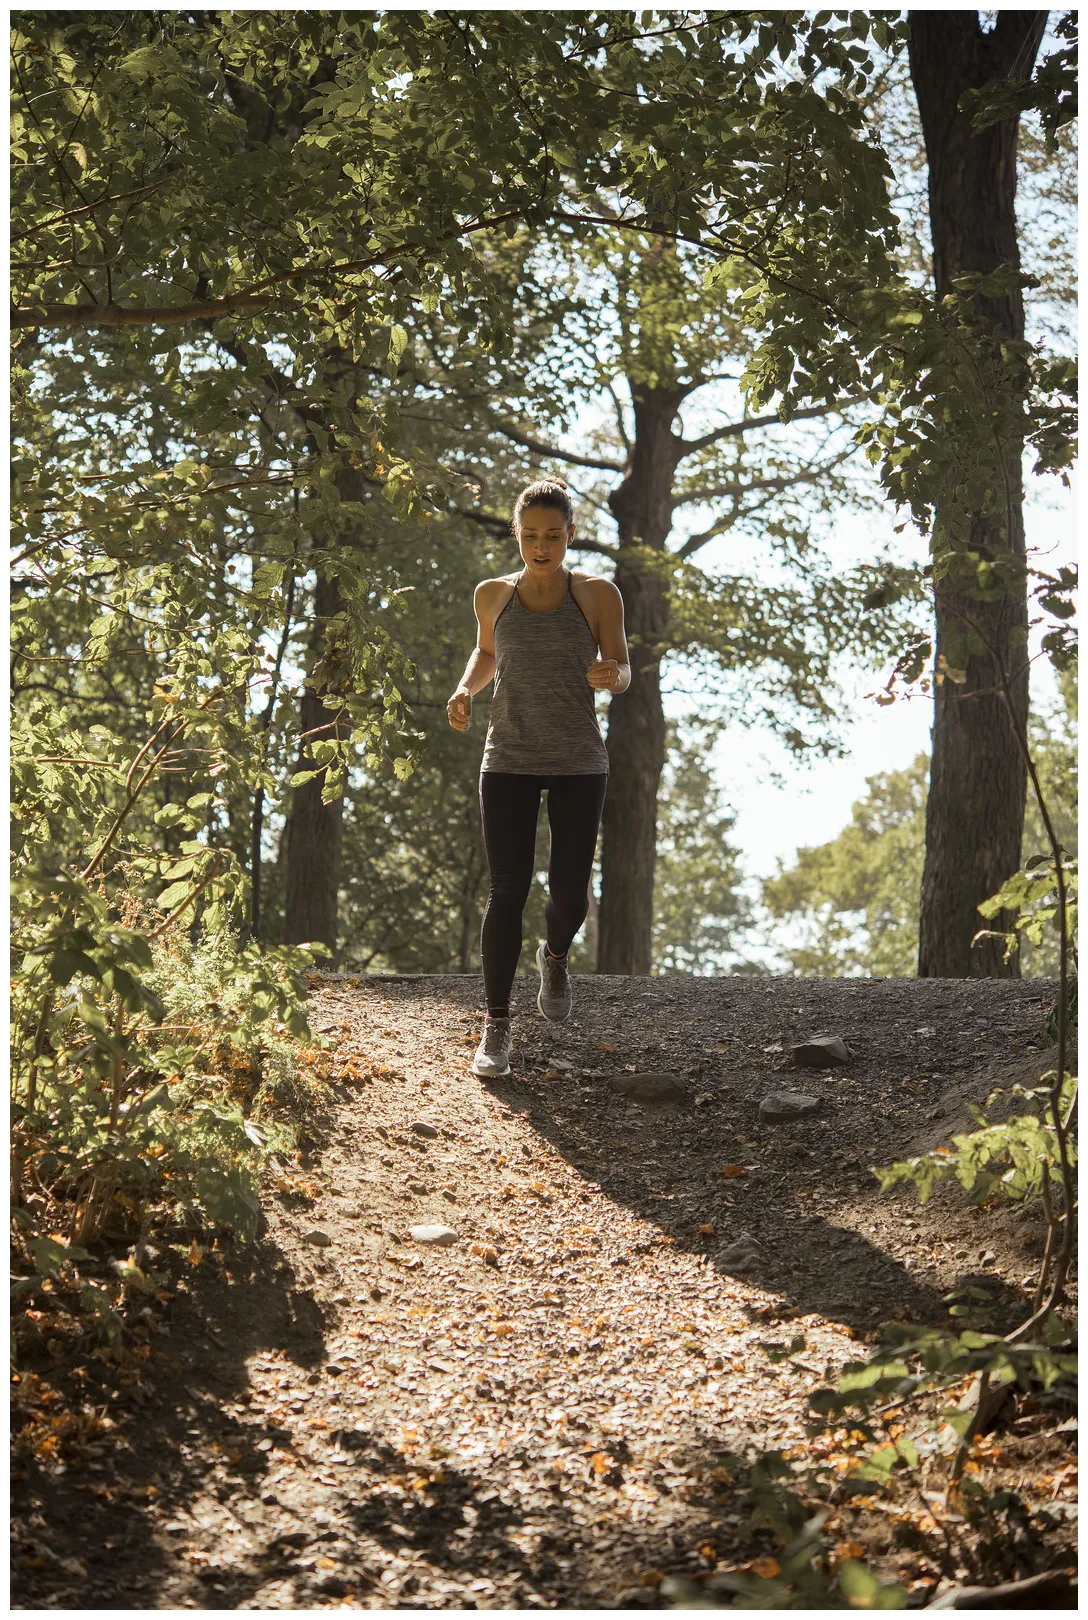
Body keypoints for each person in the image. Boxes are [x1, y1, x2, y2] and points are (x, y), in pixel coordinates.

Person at [447, 478, 631, 1078]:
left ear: (571, 535)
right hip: (508, 758)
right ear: (517, 536)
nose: (541, 546)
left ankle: (555, 956)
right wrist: (463, 688)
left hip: (579, 757)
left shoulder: (599, 594)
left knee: (570, 893)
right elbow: (488, 654)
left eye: (553, 535)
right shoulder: (492, 595)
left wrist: (614, 678)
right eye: (530, 535)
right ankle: (496, 1025)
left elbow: (620, 665)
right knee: (508, 890)